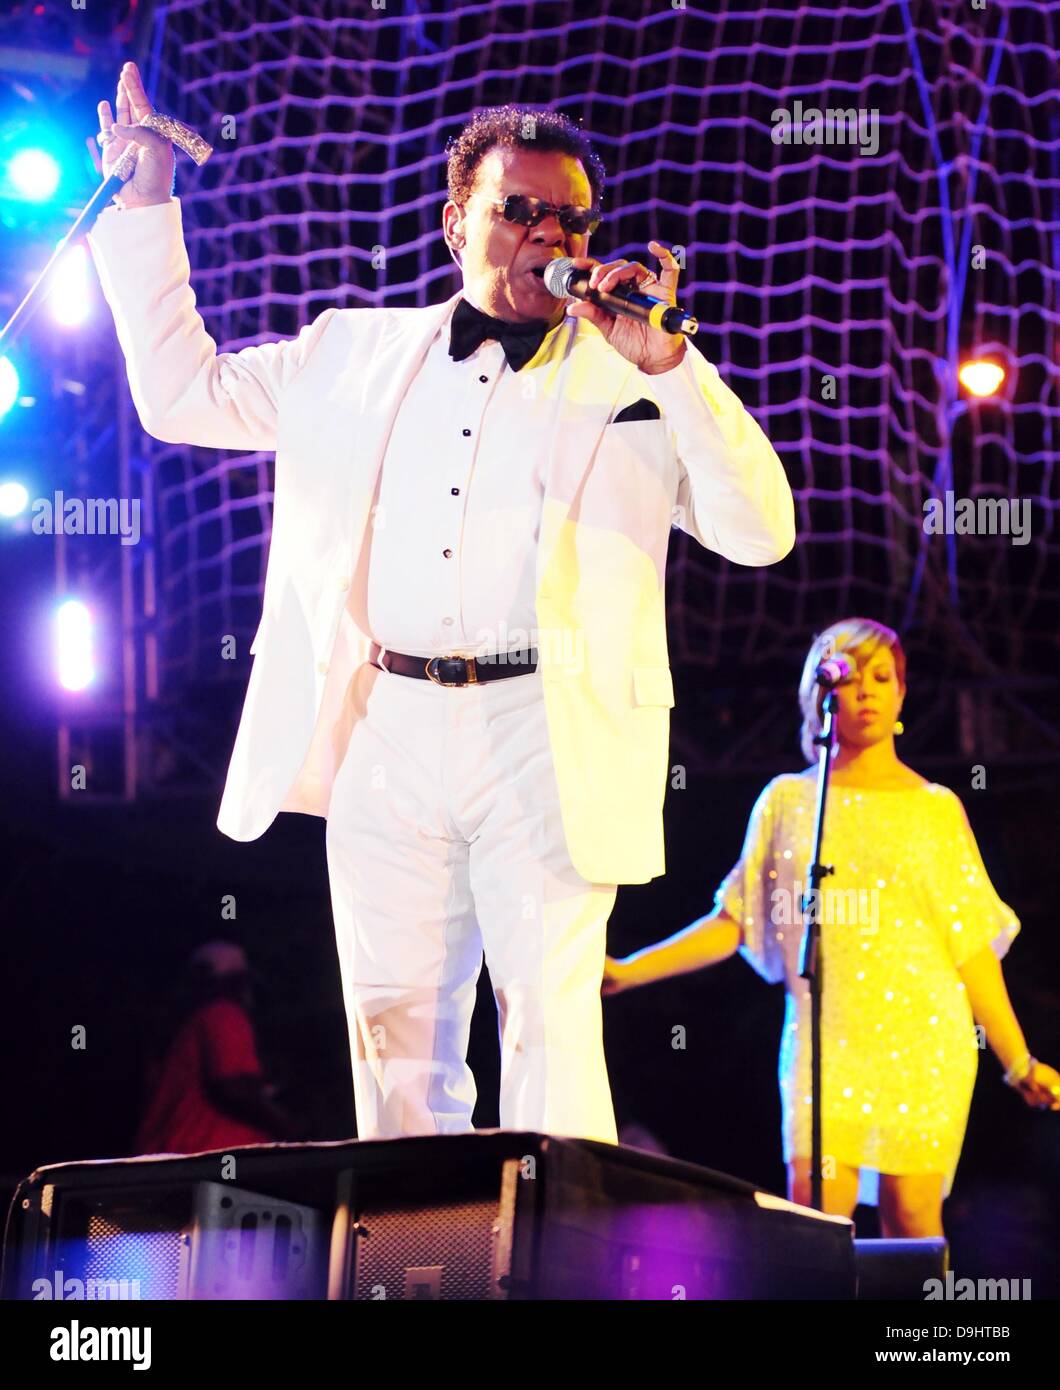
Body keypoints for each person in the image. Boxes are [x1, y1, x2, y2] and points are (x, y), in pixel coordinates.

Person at [88, 63, 795, 1145]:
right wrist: (145, 206)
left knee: (547, 1028)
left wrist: (672, 364)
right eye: (521, 211)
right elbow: (182, 395)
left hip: (545, 728)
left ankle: (560, 1268)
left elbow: (761, 532)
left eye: (571, 218)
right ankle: (419, 1269)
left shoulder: (633, 376)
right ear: (456, 216)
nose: (549, 237)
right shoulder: (347, 354)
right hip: (386, 723)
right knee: (395, 1037)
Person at [604, 619, 1060, 1235]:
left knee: (913, 1225)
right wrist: (629, 972)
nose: (868, 690)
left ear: (902, 694)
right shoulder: (788, 802)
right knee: (814, 1224)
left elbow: (971, 948)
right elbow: (734, 920)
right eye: (849, 676)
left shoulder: (936, 810)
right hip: (824, 1043)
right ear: (819, 693)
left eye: (883, 676)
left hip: (924, 1043)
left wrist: (1017, 1061)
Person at [136, 942, 296, 1154]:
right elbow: (233, 1089)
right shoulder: (222, 1013)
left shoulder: (179, 1030)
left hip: (176, 1159)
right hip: (208, 1157)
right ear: (236, 981)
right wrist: (288, 1128)